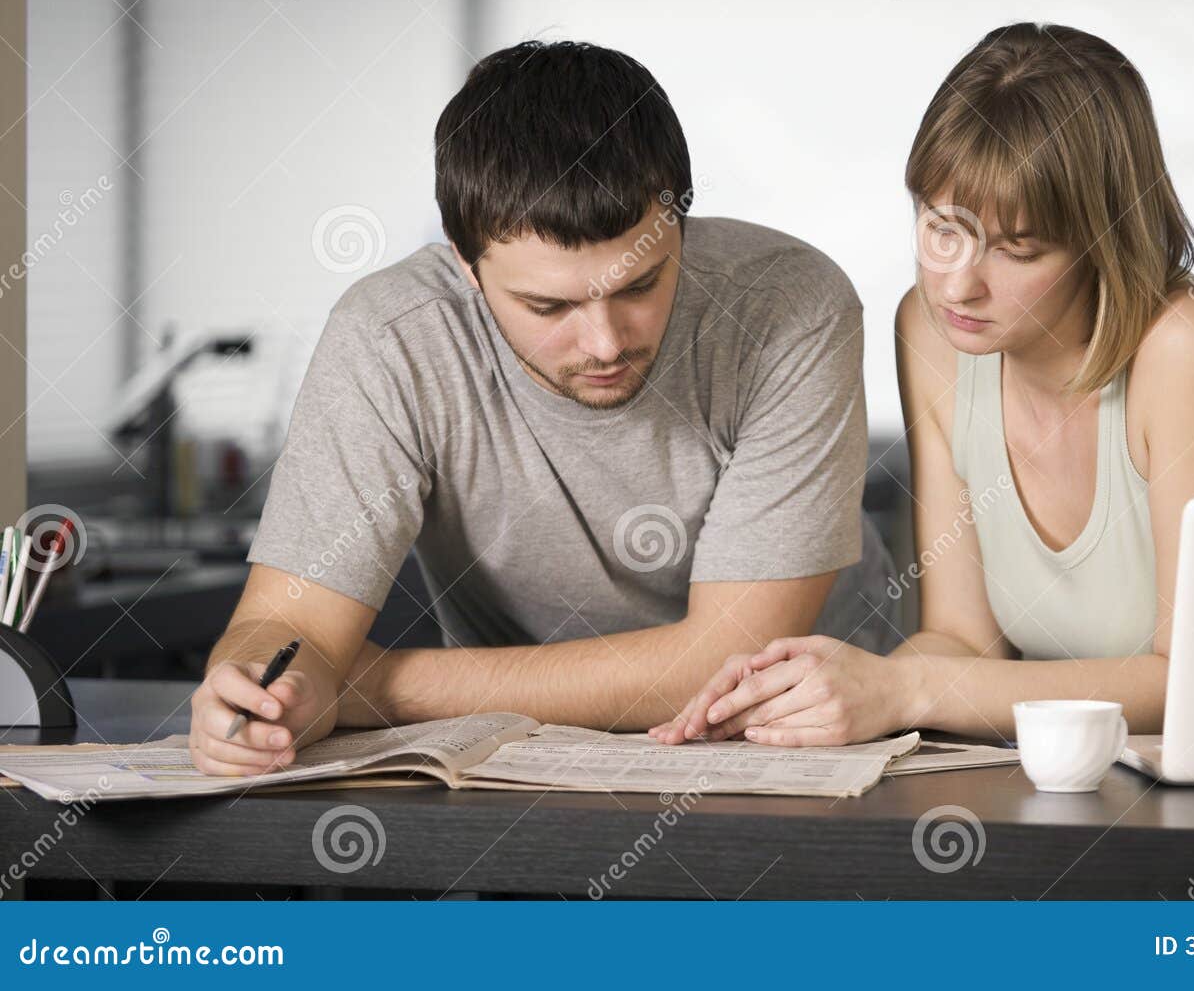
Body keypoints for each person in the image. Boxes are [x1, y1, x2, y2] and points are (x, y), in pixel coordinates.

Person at [189, 40, 896, 776]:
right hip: (522, 757)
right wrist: (259, 690)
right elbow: (288, 625)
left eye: (639, 285)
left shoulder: (790, 306)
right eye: (547, 304)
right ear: (464, 263)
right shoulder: (391, 337)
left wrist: (364, 683)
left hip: (811, 756)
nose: (604, 341)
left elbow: (725, 663)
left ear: (682, 225)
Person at [653, 22, 1194, 749]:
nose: (958, 282)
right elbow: (962, 640)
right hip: (1114, 778)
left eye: (1016, 249)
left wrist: (906, 688)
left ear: (1104, 241)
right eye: (941, 227)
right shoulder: (932, 333)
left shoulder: (1191, 351)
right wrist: (818, 691)